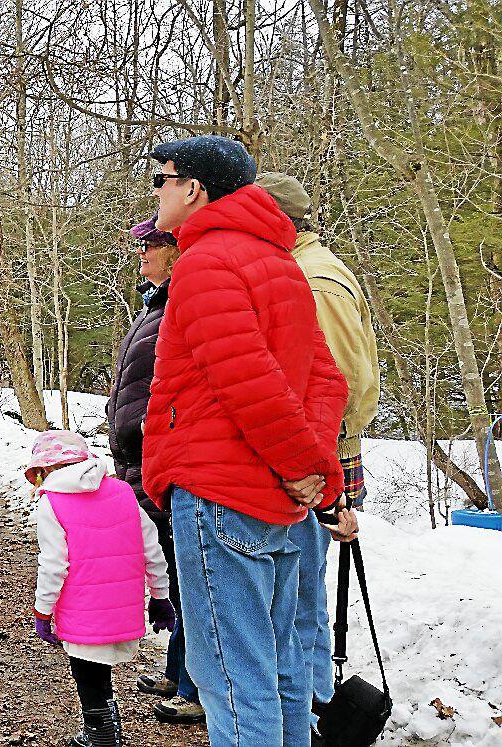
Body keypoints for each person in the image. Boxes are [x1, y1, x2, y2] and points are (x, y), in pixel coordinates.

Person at [141, 135, 349, 747]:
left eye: (162, 180)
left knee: (232, 676)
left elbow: (245, 380)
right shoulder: (278, 262)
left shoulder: (207, 263)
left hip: (220, 493)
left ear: (193, 190)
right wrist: (310, 470)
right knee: (282, 669)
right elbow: (324, 379)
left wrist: (302, 468)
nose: (156, 192)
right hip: (277, 499)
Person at [257, 172, 376, 743]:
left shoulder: (316, 280)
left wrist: (319, 468)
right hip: (307, 457)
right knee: (296, 593)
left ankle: (310, 716)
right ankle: (308, 707)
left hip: (313, 460)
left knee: (300, 597)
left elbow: (338, 383)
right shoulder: (298, 271)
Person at [106, 216, 204, 725]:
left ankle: (194, 684)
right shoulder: (156, 302)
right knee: (171, 561)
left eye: (152, 243)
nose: (141, 251)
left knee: (189, 571)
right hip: (140, 459)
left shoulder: (184, 302)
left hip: (160, 457)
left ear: (177, 249)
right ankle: (178, 669)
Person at [29, 430, 175, 747]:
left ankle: (101, 735)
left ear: (45, 469)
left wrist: (43, 610)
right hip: (123, 608)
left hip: (81, 608)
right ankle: (108, 727)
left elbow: (54, 565)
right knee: (100, 667)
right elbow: (152, 548)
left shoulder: (51, 505)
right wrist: (160, 596)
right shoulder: (122, 492)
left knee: (87, 672)